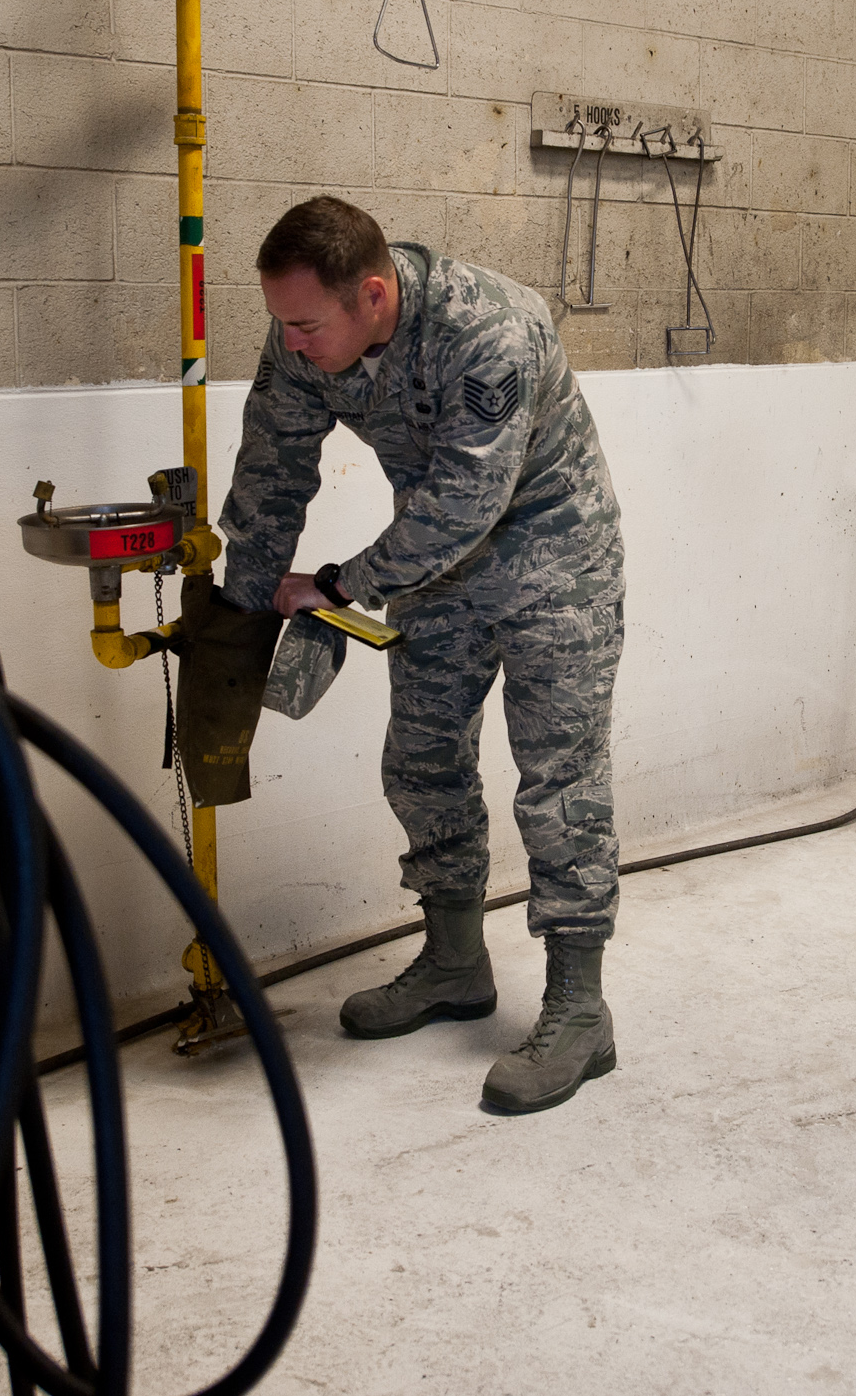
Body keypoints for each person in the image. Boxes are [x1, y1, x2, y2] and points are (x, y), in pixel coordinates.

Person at [213, 195, 626, 1114]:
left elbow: (467, 501)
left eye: (306, 324)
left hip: (553, 559)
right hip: (437, 569)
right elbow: (273, 464)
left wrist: (339, 582)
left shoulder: (491, 330)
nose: (291, 343)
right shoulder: (305, 336)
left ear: (371, 293)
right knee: (422, 760)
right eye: (280, 322)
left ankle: (578, 1007)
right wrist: (242, 610)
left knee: (559, 781)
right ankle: (453, 961)